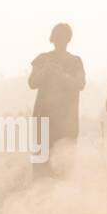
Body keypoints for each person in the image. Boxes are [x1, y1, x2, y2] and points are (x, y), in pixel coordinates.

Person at [27, 23, 85, 177]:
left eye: (64, 36)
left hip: (67, 123)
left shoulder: (75, 61)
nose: (60, 39)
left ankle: (62, 199)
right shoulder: (43, 58)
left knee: (64, 166)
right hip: (43, 121)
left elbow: (80, 84)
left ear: (69, 39)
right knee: (40, 165)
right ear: (52, 38)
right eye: (57, 36)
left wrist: (61, 75)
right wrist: (45, 70)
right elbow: (32, 83)